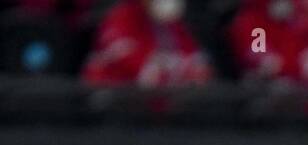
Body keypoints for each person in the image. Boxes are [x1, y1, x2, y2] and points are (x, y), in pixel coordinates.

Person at [83, 0, 214, 87]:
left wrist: (192, 69)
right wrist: (178, 68)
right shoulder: (122, 16)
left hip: (158, 105)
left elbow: (197, 61)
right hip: (116, 104)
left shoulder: (172, 24)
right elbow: (140, 66)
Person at [227, 0, 308, 86]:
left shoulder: (297, 21)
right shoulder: (251, 23)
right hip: (267, 91)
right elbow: (267, 64)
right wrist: (300, 66)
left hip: (304, 87)